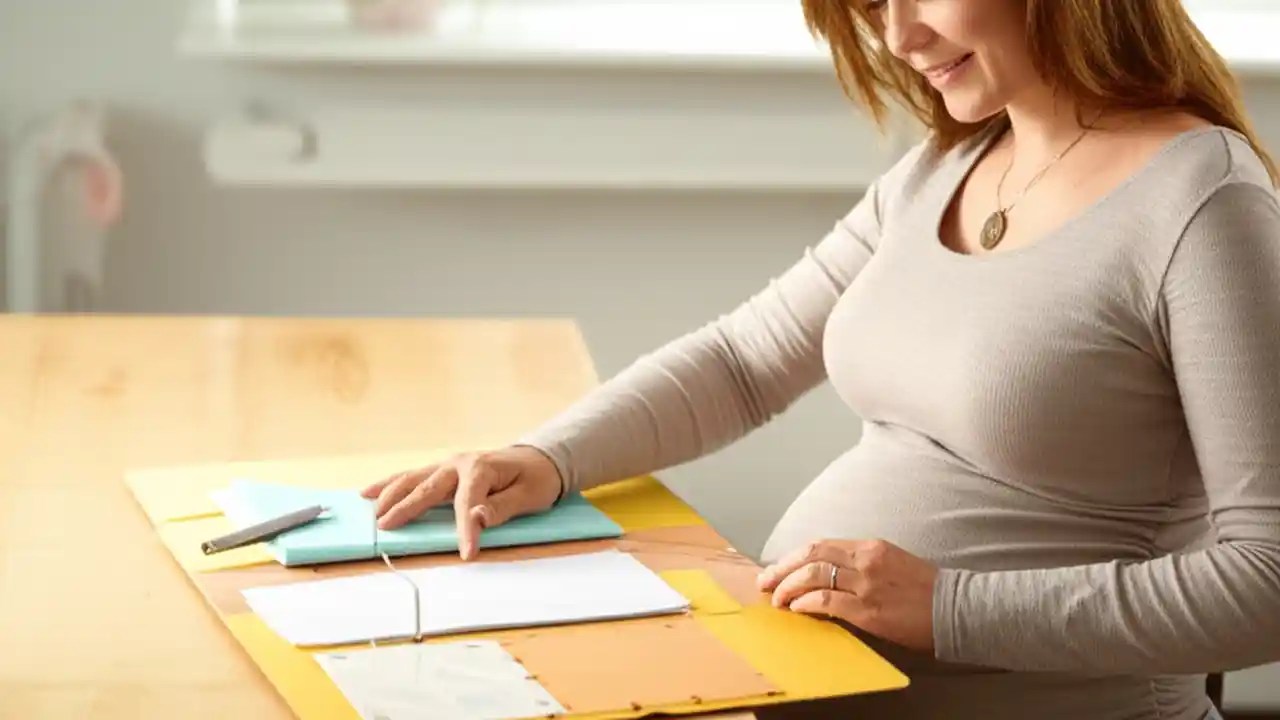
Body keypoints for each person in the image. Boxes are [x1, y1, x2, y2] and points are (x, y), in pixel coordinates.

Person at [363, 0, 1280, 717]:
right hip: (803, 689)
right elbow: (742, 361)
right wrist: (548, 457)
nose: (900, 37)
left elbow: (1266, 581)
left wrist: (946, 608)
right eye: (874, 7)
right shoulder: (947, 166)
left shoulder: (1202, 204)